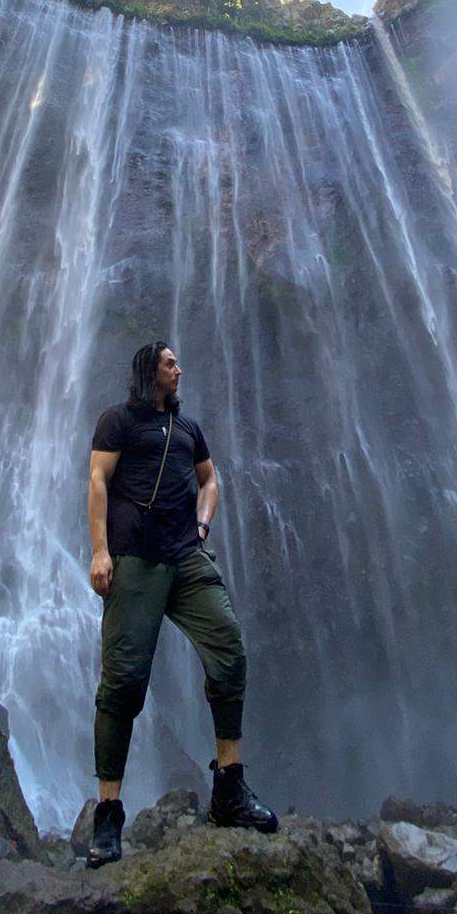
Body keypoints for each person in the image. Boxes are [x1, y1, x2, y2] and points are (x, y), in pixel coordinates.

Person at [84, 339, 277, 869]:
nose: (179, 370)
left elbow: (210, 479)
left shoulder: (188, 428)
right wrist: (100, 551)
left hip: (186, 556)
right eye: (171, 363)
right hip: (135, 558)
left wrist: (201, 526)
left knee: (229, 651)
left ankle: (229, 786)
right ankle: (108, 813)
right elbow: (98, 479)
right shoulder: (118, 421)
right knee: (123, 682)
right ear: (149, 370)